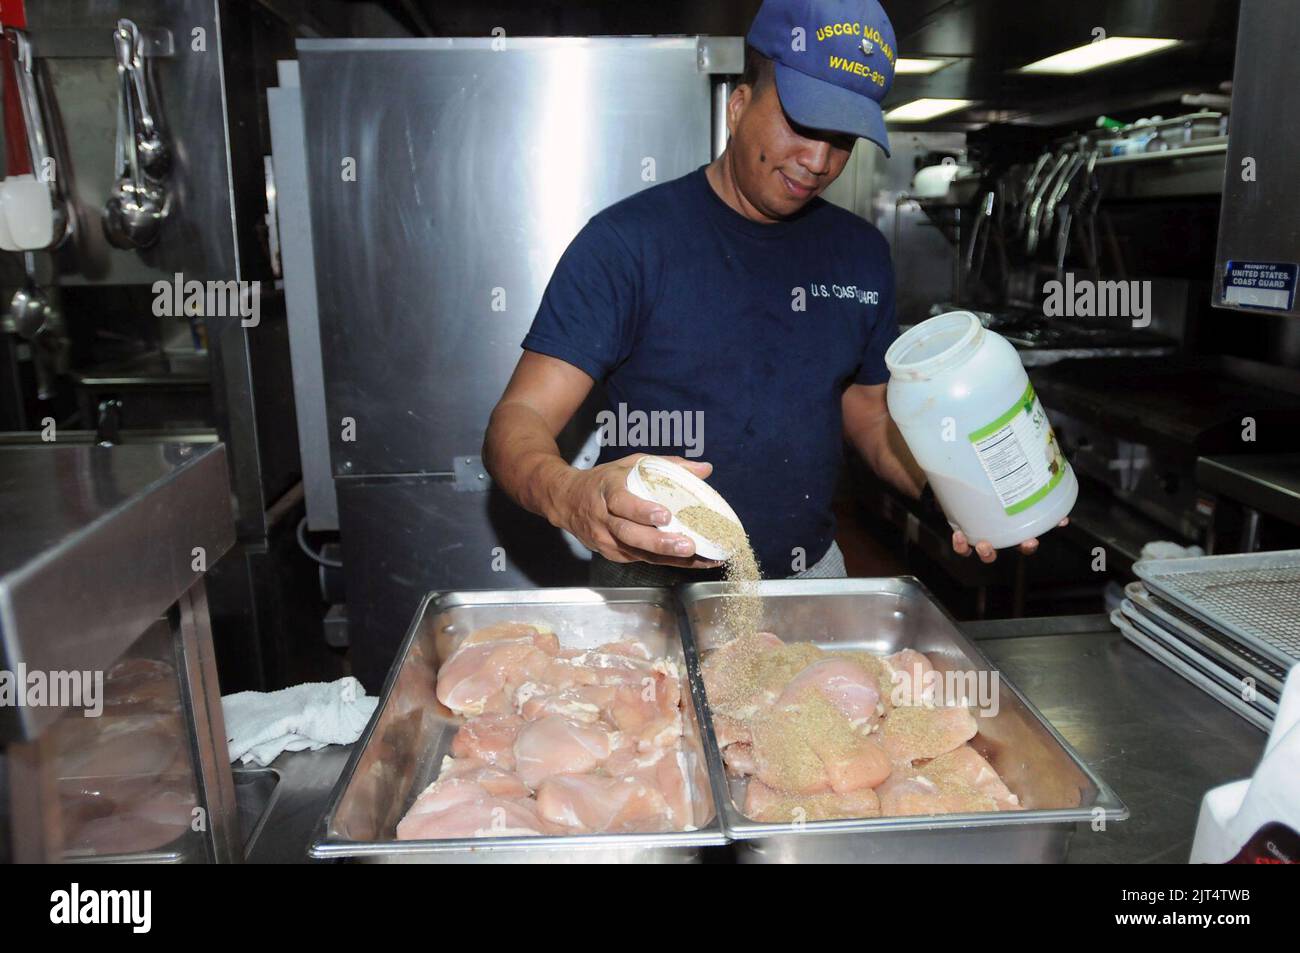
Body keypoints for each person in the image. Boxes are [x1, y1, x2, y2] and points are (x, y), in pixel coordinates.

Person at [483, 0, 1061, 585]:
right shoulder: (628, 243)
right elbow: (520, 417)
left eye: (843, 140)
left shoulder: (861, 252)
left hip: (807, 574)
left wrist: (958, 492)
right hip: (649, 582)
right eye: (803, 125)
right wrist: (569, 494)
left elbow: (864, 409)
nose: (818, 161)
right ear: (738, 105)